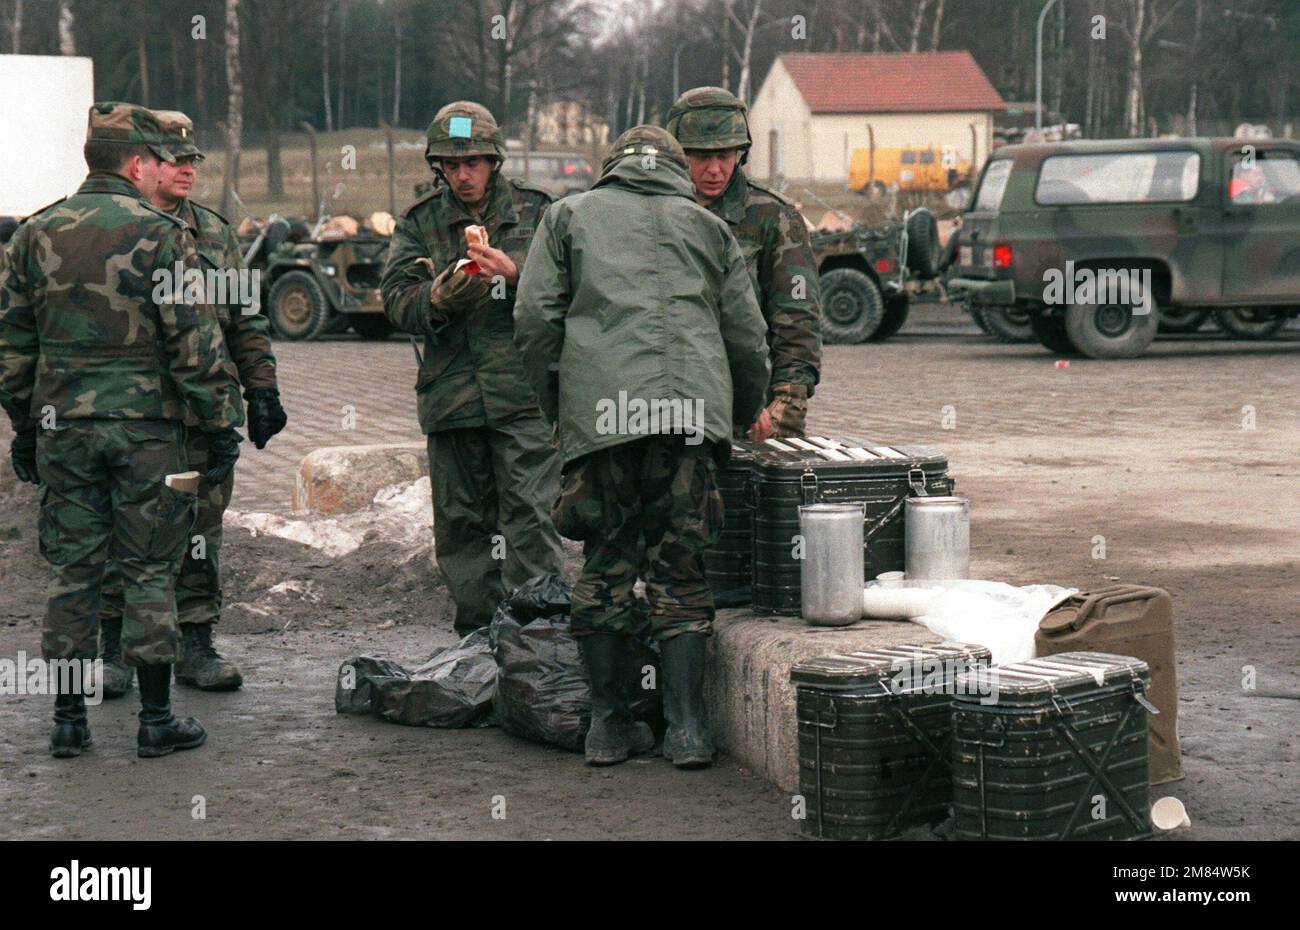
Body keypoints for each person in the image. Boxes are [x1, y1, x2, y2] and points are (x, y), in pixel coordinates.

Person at [514, 125, 772, 768]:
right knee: (680, 573)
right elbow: (747, 334)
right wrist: (738, 415)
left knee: (604, 567)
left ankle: (608, 726)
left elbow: (534, 318)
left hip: (605, 417)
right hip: (689, 419)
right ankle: (687, 730)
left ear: (612, 167)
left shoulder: (567, 217)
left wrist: (560, 406)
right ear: (677, 169)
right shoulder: (709, 227)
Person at [0, 102, 241, 758]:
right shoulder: (161, 234)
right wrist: (218, 423)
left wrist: (24, 426)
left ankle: (69, 722)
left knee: (74, 572)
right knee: (149, 570)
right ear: (136, 164)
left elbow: (12, 345)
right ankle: (155, 721)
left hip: (65, 431)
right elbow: (191, 341)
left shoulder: (32, 233)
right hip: (148, 435)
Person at [93, 109, 286, 696]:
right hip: (130, 410)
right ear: (143, 164)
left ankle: (196, 642)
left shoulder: (214, 233)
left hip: (203, 414)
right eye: (174, 160)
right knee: (115, 526)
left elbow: (244, 319)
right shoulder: (114, 226)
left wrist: (263, 389)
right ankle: (115, 647)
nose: (186, 170)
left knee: (201, 526)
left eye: (192, 160)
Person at [379, 101, 565, 637]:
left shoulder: (539, 212)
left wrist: (518, 276)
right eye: (452, 165)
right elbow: (394, 300)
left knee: (531, 519)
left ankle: (540, 640)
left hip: (524, 398)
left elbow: (571, 288)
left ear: (494, 161)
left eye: (474, 163)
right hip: (453, 399)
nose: (463, 175)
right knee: (463, 527)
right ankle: (480, 642)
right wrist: (437, 298)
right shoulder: (420, 223)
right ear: (438, 167)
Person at [668, 86, 822, 438]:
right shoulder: (656, 212)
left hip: (749, 411)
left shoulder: (772, 216)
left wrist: (787, 404)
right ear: (677, 154)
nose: (715, 169)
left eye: (725, 155)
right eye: (700, 156)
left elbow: (797, 320)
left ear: (742, 152)